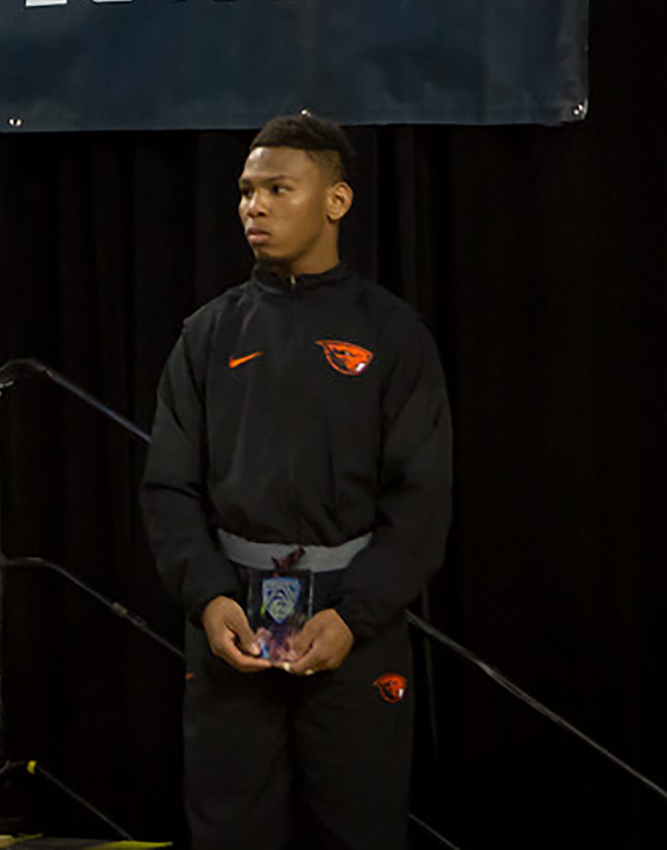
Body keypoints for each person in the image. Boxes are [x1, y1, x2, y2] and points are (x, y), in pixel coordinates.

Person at [140, 113, 452, 850]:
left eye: (278, 189)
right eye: (246, 191)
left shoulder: (393, 335)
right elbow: (168, 487)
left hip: (353, 627)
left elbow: (422, 499)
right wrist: (209, 597)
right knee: (228, 831)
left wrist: (354, 615)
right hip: (232, 629)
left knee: (361, 831)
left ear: (336, 201)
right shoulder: (209, 334)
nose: (255, 206)